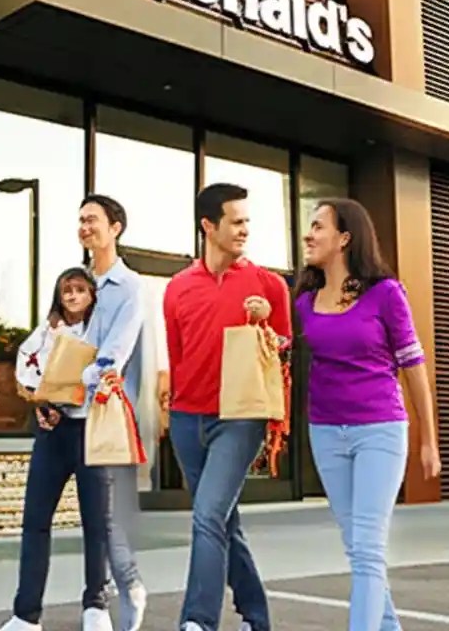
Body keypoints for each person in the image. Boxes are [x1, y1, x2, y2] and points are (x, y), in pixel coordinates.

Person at [294, 198, 440, 631]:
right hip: (325, 431)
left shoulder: (385, 294)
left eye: (318, 227)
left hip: (380, 430)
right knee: (357, 547)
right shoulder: (305, 302)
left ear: (344, 238)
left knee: (368, 549)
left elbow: (414, 365)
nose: (308, 235)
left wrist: (429, 440)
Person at [163, 183, 292, 631]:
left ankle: (197, 621)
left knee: (207, 516)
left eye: (247, 221)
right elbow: (177, 356)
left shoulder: (269, 285)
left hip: (239, 418)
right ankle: (256, 618)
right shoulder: (177, 288)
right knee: (222, 521)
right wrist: (172, 410)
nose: (244, 230)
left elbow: (283, 353)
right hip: (186, 420)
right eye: (236, 222)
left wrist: (265, 323)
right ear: (208, 226)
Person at [0, 265, 113, 631]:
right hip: (54, 433)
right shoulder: (46, 333)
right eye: (67, 290)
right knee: (35, 521)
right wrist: (41, 406)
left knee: (96, 523)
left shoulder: (104, 332)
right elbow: (30, 374)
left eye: (80, 289)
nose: (73, 296)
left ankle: (96, 606)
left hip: (91, 431)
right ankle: (26, 614)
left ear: (92, 295)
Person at [77, 194, 151, 631]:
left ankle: (128, 585)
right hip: (70, 411)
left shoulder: (131, 287)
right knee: (93, 513)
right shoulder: (76, 283)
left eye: (92, 219)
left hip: (105, 411)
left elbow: (113, 355)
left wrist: (77, 375)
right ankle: (99, 601)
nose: (84, 227)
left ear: (115, 228)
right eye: (80, 221)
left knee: (106, 514)